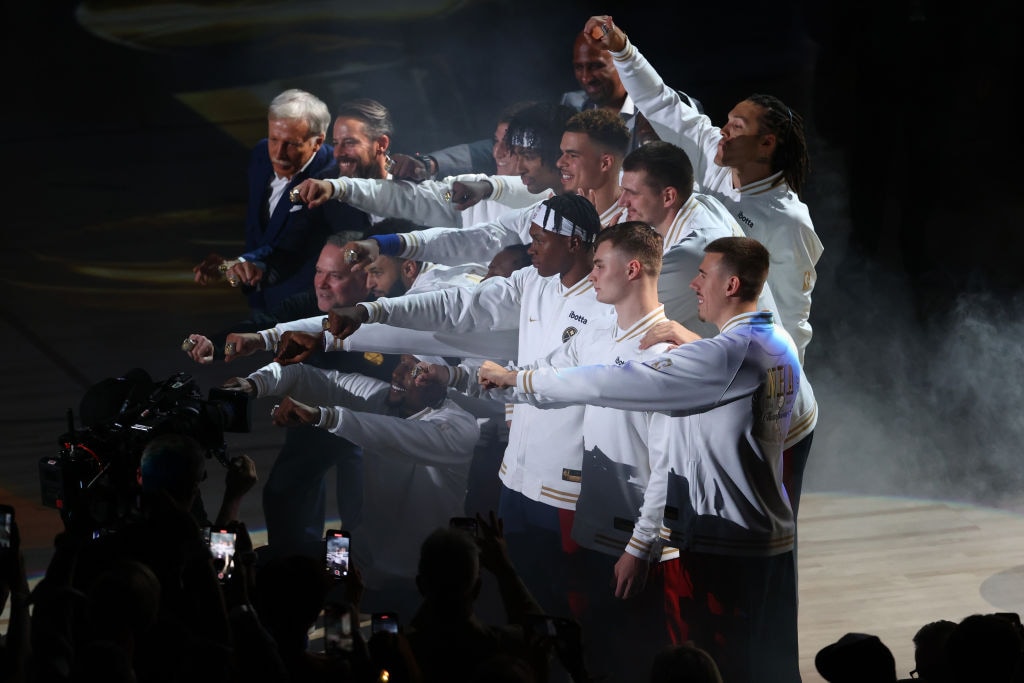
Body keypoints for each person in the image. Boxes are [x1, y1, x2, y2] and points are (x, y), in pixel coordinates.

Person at [479, 236, 805, 682]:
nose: (693, 284)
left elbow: (613, 382)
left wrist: (519, 380)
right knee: (771, 668)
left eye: (703, 275)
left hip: (727, 547)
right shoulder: (776, 340)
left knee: (721, 670)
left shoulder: (727, 355)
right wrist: (693, 340)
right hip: (769, 540)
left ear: (731, 285)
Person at [324, 194, 610, 624]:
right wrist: (362, 314)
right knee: (515, 585)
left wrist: (326, 416)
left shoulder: (602, 308)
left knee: (558, 601)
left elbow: (536, 383)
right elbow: (455, 306)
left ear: (573, 243)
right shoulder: (533, 284)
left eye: (539, 239)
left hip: (557, 486)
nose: (531, 247)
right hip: (515, 477)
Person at [479, 222, 684, 683]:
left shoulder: (666, 355)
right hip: (595, 533)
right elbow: (545, 377)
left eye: (599, 265)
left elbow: (667, 468)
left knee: (638, 663)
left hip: (634, 546)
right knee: (595, 656)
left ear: (632, 270)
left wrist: (640, 548)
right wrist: (474, 379)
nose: (591, 275)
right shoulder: (599, 336)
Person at [583, 15, 823, 365]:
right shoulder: (712, 152)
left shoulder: (789, 221)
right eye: (727, 121)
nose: (723, 131)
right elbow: (662, 102)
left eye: (737, 127)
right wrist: (623, 50)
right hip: (691, 330)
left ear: (766, 143)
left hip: (739, 358)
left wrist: (779, 382)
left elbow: (792, 315)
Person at [185, 231, 401, 560]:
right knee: (285, 495)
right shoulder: (306, 305)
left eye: (335, 276)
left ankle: (358, 572)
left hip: (372, 426)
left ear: (366, 279)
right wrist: (214, 345)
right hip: (311, 416)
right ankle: (298, 568)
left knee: (362, 509)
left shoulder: (392, 314)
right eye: (318, 271)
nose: (321, 284)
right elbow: (262, 325)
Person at [226, 353, 480, 618]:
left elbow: (391, 434)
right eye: (400, 362)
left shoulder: (460, 427)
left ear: (438, 382)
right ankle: (306, 634)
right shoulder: (382, 396)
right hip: (358, 555)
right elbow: (305, 376)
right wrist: (255, 383)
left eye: (411, 369)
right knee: (268, 569)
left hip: (417, 579)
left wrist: (324, 417)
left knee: (395, 638)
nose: (396, 373)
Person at [293, 101, 577, 269]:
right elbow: (421, 201)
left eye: (525, 152)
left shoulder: (551, 207)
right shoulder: (469, 192)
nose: (504, 154)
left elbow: (476, 238)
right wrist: (339, 189)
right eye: (498, 142)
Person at [192, 88, 339, 315]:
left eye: (291, 144)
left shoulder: (330, 179)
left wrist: (236, 264)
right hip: (262, 294)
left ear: (317, 142)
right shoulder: (261, 152)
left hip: (307, 305)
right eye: (274, 139)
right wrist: (232, 267)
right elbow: (259, 229)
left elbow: (291, 245)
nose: (278, 153)